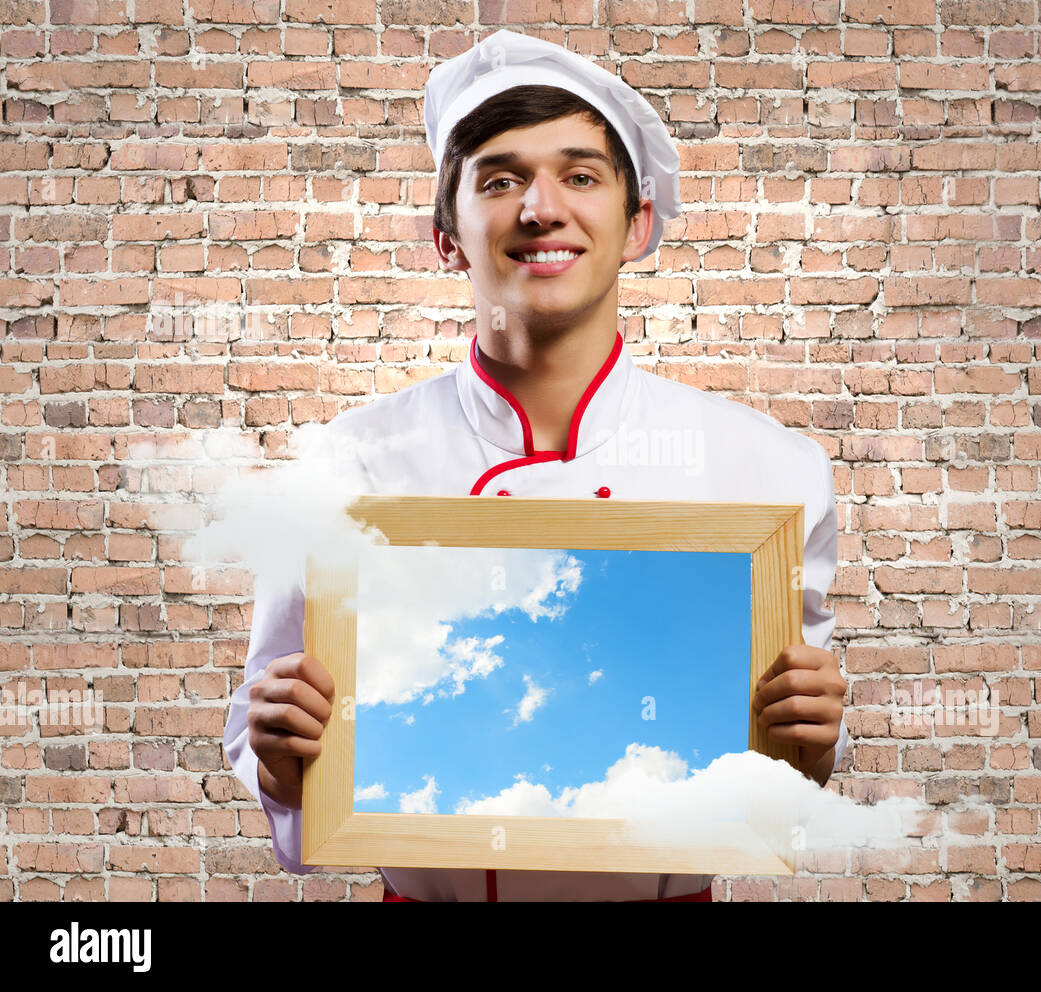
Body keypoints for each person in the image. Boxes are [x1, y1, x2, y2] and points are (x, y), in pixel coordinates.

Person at [221, 28, 849, 902]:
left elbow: (780, 781)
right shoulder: (347, 464)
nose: (541, 209)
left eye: (581, 175)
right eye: (501, 178)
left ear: (638, 226)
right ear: (447, 238)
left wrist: (809, 749)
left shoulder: (768, 473)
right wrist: (286, 765)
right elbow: (267, 731)